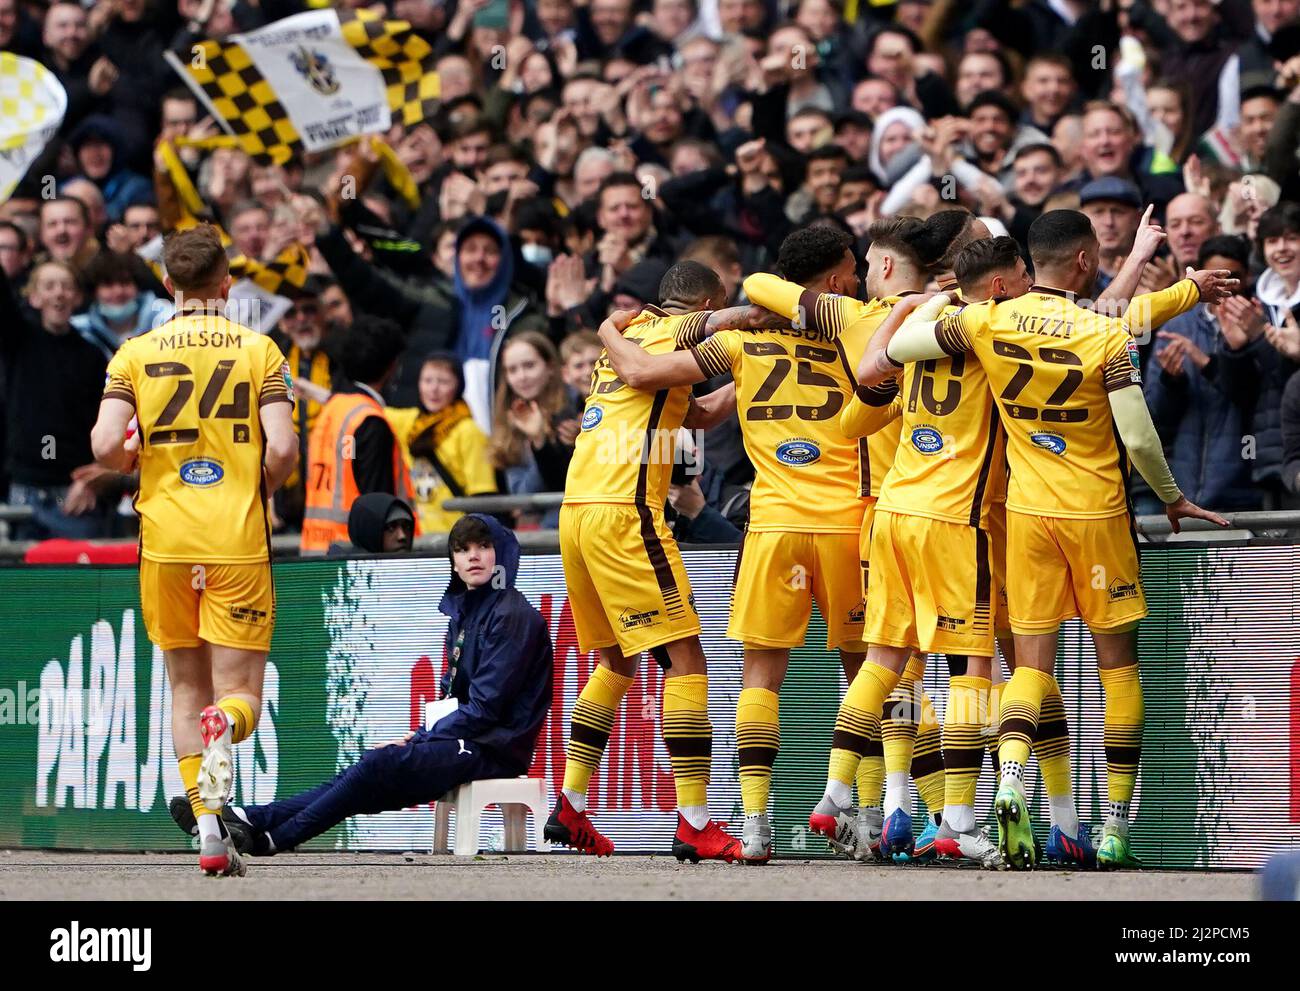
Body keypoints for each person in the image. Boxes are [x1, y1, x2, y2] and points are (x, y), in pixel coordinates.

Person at [873, 209, 1232, 869]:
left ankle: (1005, 780)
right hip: (1097, 516)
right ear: (1086, 261)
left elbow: (892, 354)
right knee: (1117, 669)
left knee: (1027, 668)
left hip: (1022, 514)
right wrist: (1174, 496)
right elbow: (1141, 433)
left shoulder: (986, 319)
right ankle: (1115, 828)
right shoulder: (1105, 334)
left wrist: (918, 305)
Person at [90, 224, 298, 877]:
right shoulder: (260, 349)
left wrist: (132, 455)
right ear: (227, 283)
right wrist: (255, 483)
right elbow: (284, 450)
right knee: (238, 696)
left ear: (166, 283)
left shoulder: (132, 354)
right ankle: (225, 730)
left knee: (185, 688)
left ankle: (209, 829)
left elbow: (103, 449)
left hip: (166, 540)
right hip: (235, 537)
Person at [168, 515, 553, 856]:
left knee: (376, 766)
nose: (473, 556)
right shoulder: (464, 611)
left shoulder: (513, 616)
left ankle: (268, 835)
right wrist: (419, 737)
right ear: (452, 560)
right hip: (466, 739)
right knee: (363, 778)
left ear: (499, 553)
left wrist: (419, 739)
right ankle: (252, 820)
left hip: (496, 748)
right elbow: (452, 699)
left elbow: (485, 710)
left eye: (483, 547)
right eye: (463, 548)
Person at [549, 260, 757, 862]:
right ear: (703, 305)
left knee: (615, 660)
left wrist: (745, 380)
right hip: (625, 514)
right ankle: (694, 823)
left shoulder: (632, 342)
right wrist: (749, 321)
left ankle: (570, 805)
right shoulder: (671, 332)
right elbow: (727, 324)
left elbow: (693, 413)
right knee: (687, 661)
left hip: (576, 512)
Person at [2, 260, 116, 540]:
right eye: (49, 286)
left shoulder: (92, 356)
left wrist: (96, 478)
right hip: (24, 492)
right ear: (34, 297)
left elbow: (105, 424)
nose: (59, 293)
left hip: (75, 496)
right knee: (23, 585)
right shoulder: (18, 341)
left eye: (66, 286)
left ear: (77, 298)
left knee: (76, 584)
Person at [300, 316, 419, 555]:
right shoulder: (369, 419)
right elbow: (379, 505)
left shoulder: (333, 409)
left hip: (316, 551)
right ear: (392, 366)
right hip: (357, 561)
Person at [385, 353, 497, 535]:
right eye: (427, 380)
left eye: (443, 382)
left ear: (458, 386)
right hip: (416, 537)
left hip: (456, 538)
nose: (433, 389)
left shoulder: (469, 431)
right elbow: (367, 407)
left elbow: (482, 496)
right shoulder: (410, 422)